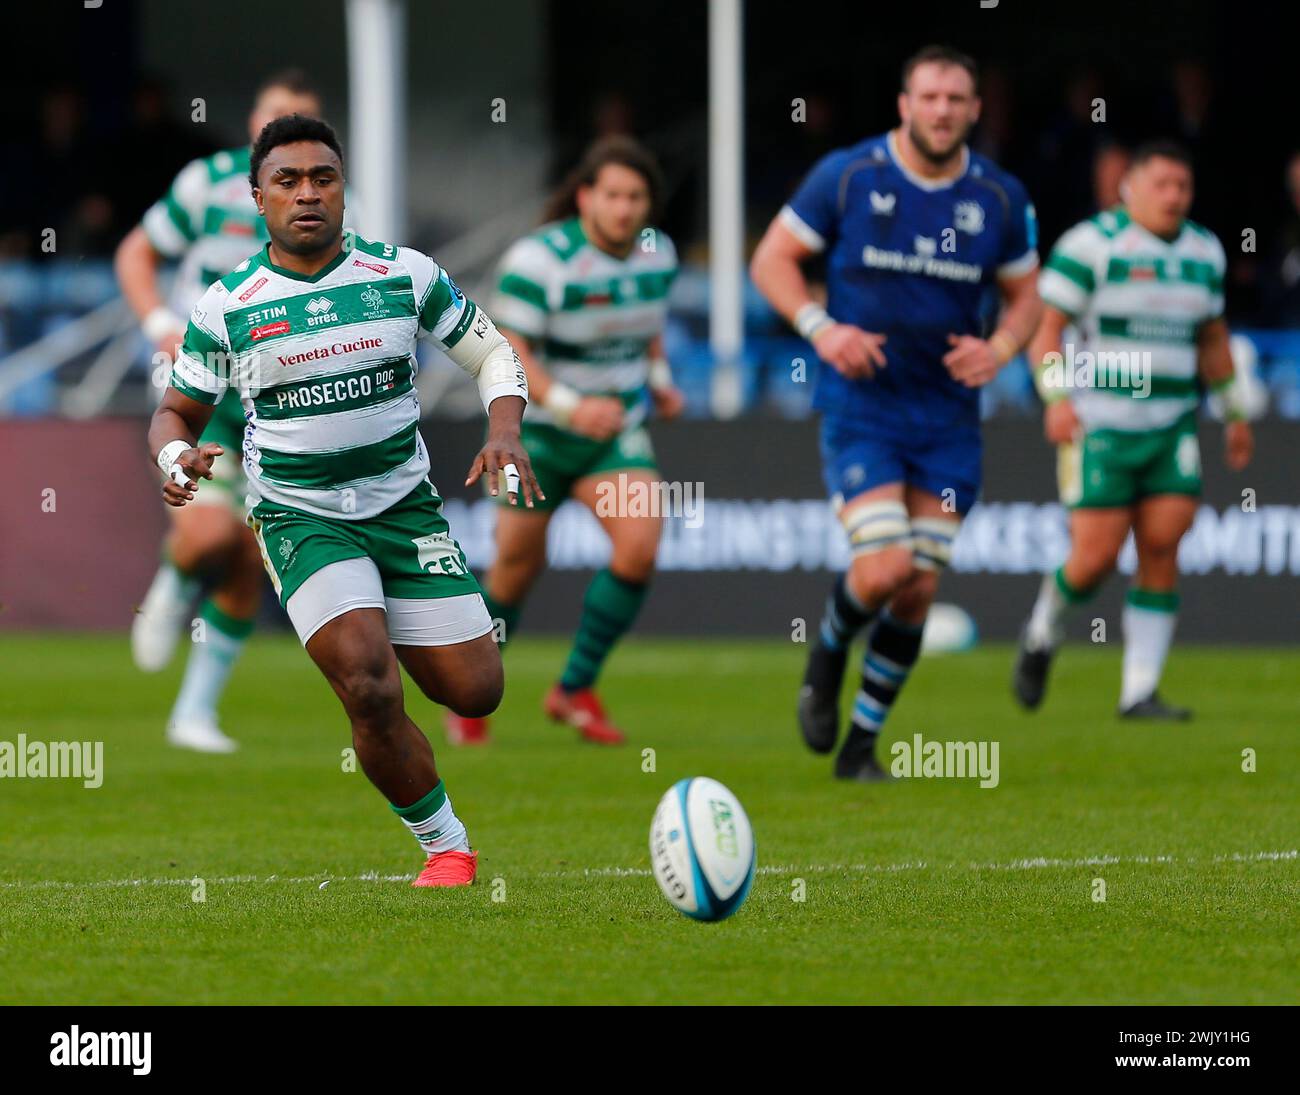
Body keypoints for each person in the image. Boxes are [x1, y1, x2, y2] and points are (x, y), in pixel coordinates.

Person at [147, 114, 538, 886]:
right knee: (366, 679)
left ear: (344, 188)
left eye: (323, 178)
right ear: (257, 198)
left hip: (405, 510)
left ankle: (389, 663)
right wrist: (175, 453)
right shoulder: (227, 306)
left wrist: (507, 428)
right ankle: (447, 844)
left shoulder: (406, 275)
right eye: (286, 181)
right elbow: (175, 409)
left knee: (476, 688)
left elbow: (492, 351)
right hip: (300, 516)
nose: (307, 194)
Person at [751, 45, 1042, 780]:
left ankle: (859, 746)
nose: (942, 109)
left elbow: (1028, 293)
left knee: (918, 586)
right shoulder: (849, 176)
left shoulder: (999, 197)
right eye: (929, 96)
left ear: (974, 110)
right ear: (904, 104)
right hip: (865, 408)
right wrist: (824, 329)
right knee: (883, 570)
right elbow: (771, 260)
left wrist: (1003, 346)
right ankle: (825, 651)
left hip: (948, 420)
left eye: (956, 98)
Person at [447, 137, 683, 746]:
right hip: (537, 437)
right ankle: (470, 693)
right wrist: (571, 407)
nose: (625, 209)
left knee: (641, 546)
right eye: (612, 195)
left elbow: (646, 331)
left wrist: (660, 382)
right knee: (515, 571)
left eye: (636, 197)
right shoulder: (538, 260)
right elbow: (510, 350)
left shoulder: (658, 255)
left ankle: (574, 688)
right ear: (585, 198)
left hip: (615, 435)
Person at [117, 70, 325, 753]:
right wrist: (156, 323)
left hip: (275, 403)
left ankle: (195, 714)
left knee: (247, 557)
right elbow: (136, 251)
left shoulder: (327, 207)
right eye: (276, 114)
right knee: (208, 538)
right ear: (253, 124)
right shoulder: (206, 184)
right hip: (198, 387)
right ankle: (173, 581)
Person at [1013, 140, 1253, 718]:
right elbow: (1045, 333)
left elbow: (1213, 339)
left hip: (1173, 425)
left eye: (1182, 187)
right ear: (1130, 187)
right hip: (1101, 425)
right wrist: (1055, 397)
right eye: (1161, 185)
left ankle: (1139, 691)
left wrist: (1234, 411)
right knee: (1093, 560)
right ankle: (1043, 630)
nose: (1173, 197)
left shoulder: (1205, 252)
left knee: (1163, 546)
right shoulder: (1090, 245)